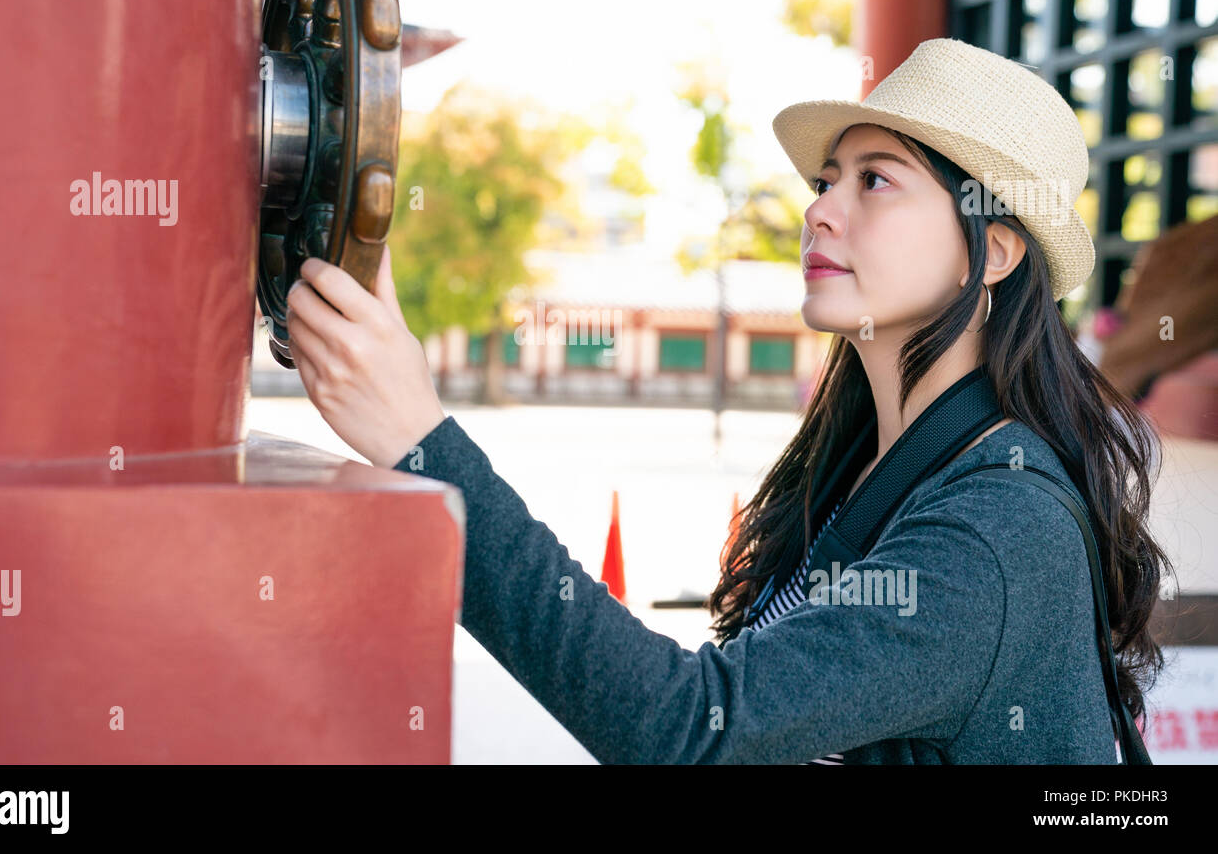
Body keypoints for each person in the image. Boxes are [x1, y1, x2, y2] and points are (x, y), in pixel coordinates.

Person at [283, 37, 1172, 764]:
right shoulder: (877, 467)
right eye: (827, 180)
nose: (821, 211)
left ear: (999, 254)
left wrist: (424, 447)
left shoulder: (996, 529)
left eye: (877, 180)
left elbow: (690, 727)